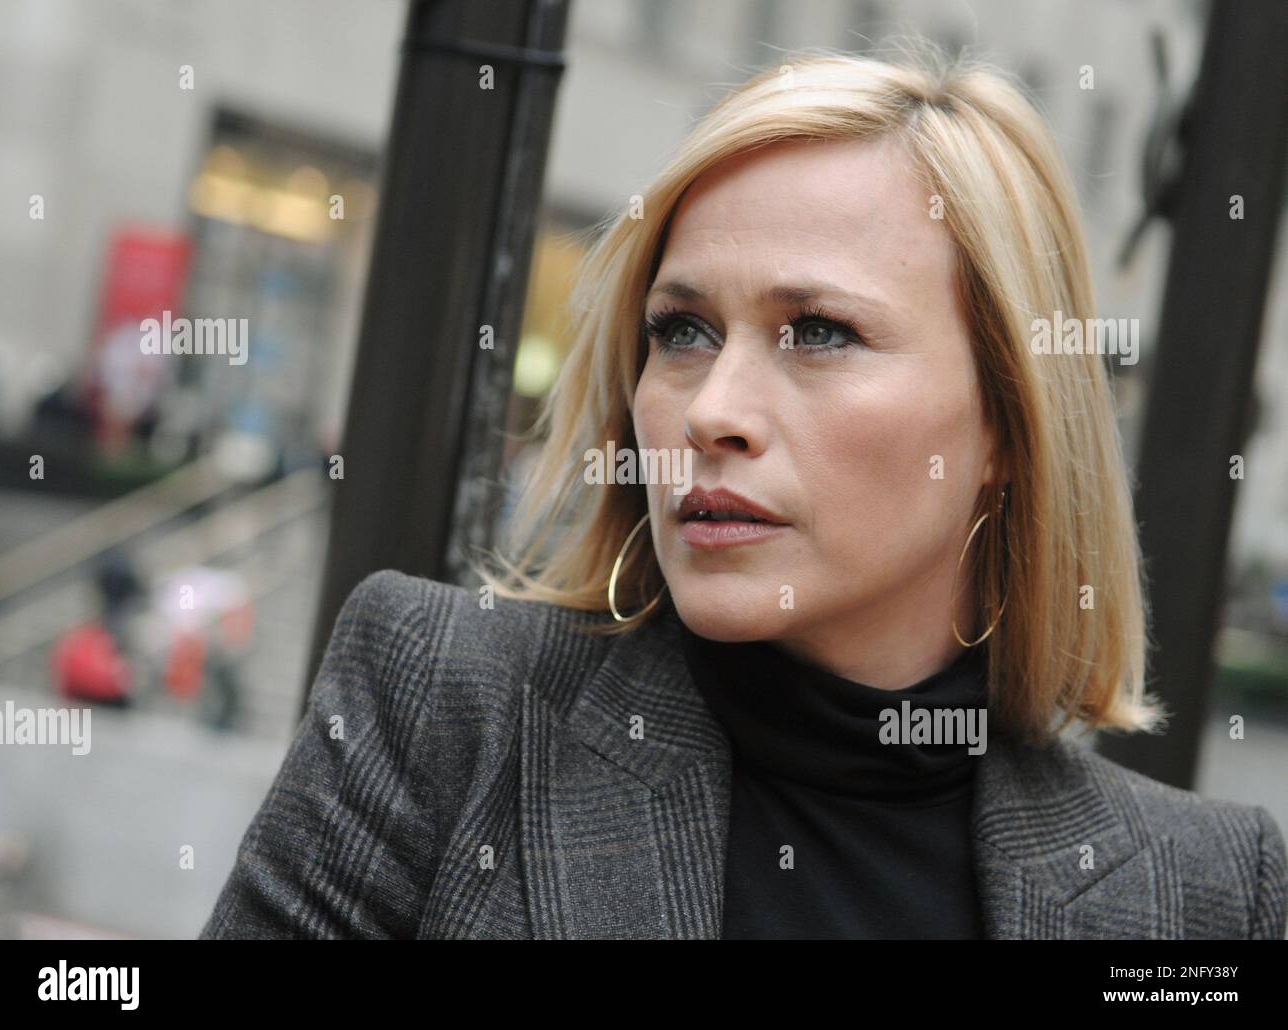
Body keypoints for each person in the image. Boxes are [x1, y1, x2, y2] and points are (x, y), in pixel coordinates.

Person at [199, 46, 1287, 940]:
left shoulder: (1202, 896)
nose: (711, 408)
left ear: (1006, 419)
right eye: (681, 331)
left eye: (819, 331)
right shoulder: (446, 703)